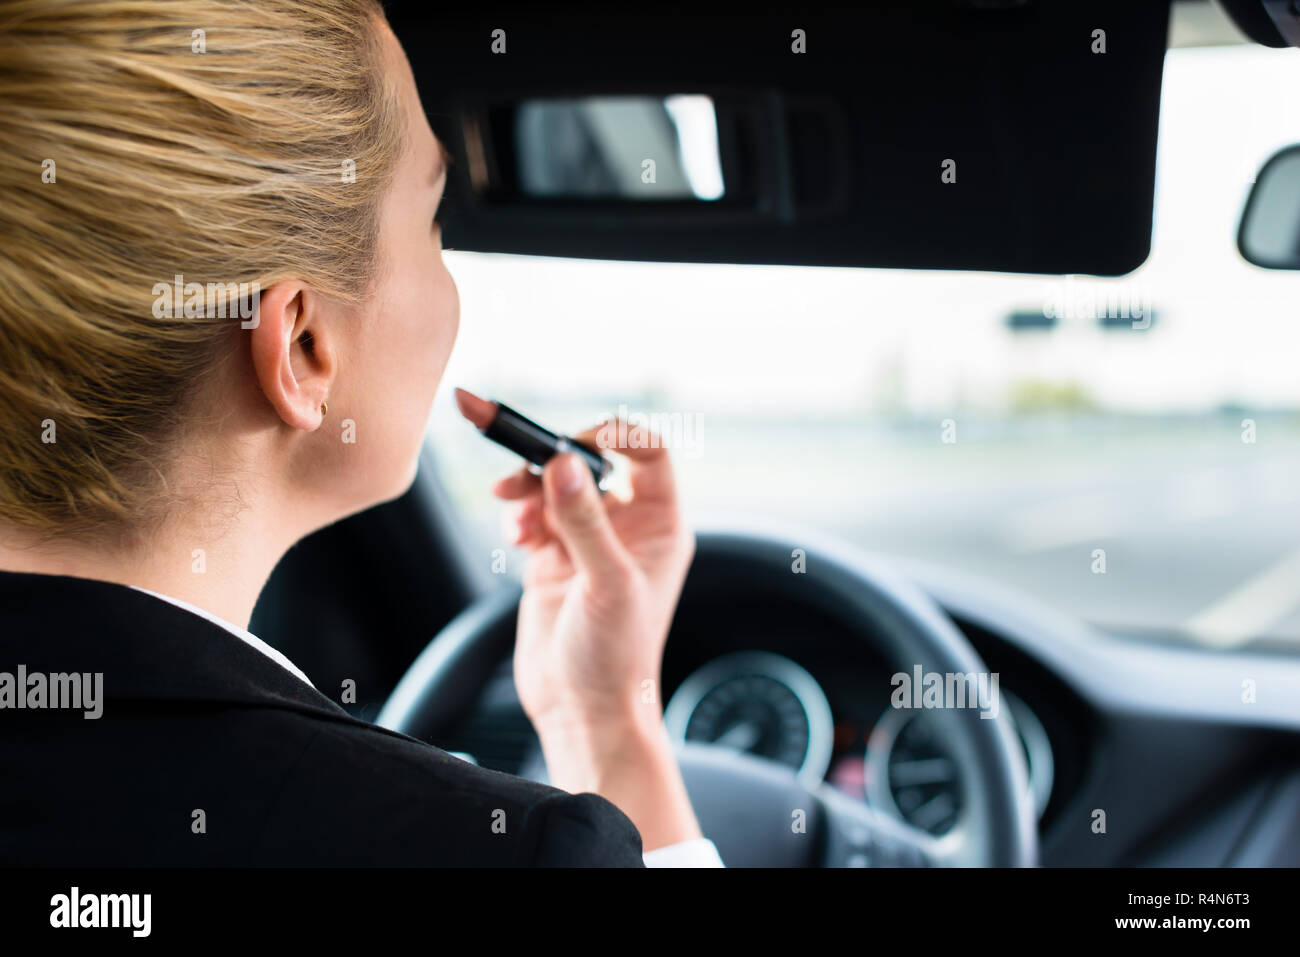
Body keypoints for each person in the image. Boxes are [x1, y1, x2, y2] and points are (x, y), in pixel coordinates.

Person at [0, 0, 720, 867]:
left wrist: (587, 705)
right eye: (433, 223)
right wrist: (611, 731)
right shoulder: (494, 852)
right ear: (303, 347)